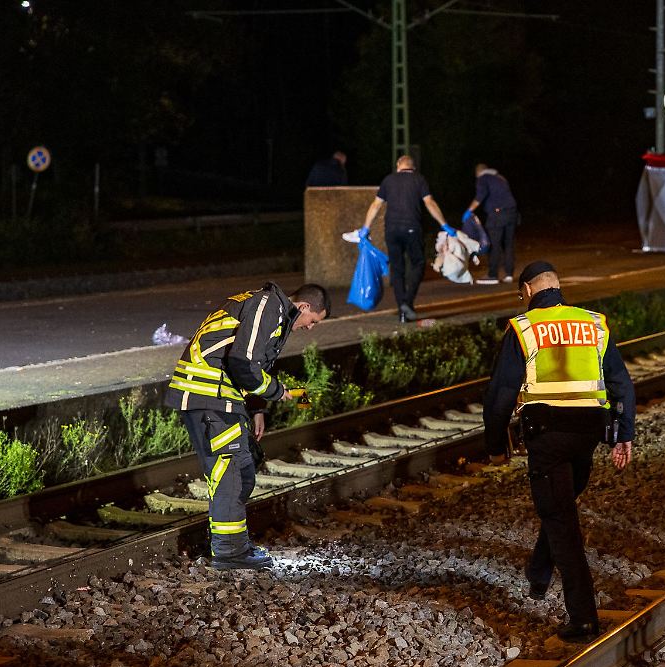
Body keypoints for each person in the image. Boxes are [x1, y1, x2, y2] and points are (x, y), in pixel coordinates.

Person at [483, 261, 635, 642]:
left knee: (562, 524)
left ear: (528, 291)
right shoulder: (594, 323)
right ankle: (537, 573)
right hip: (587, 435)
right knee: (560, 508)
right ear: (558, 287)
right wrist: (625, 434)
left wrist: (494, 447)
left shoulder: (523, 327)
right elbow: (620, 382)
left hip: (547, 438)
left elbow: (501, 393)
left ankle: (584, 619)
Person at [163, 282, 329, 570]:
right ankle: (229, 553)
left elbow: (250, 363)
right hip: (207, 394)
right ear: (303, 307)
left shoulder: (271, 311)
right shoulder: (269, 306)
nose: (310, 328)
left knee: (243, 471)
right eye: (313, 321)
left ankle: (232, 544)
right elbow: (242, 361)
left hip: (220, 397)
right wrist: (277, 391)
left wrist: (257, 409)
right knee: (230, 475)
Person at [360, 155, 453, 322]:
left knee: (397, 268)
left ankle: (402, 310)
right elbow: (429, 202)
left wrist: (365, 228)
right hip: (412, 228)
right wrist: (444, 224)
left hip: (391, 230)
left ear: (398, 167)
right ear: (413, 168)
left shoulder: (388, 180)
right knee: (417, 263)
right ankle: (407, 302)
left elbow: (375, 205)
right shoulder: (419, 180)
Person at [463, 163, 519, 284]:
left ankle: (492, 275)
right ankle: (509, 274)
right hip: (512, 213)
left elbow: (479, 197)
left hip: (497, 215)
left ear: (478, 173)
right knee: (508, 244)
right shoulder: (500, 178)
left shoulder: (483, 179)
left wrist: (469, 211)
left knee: (494, 244)